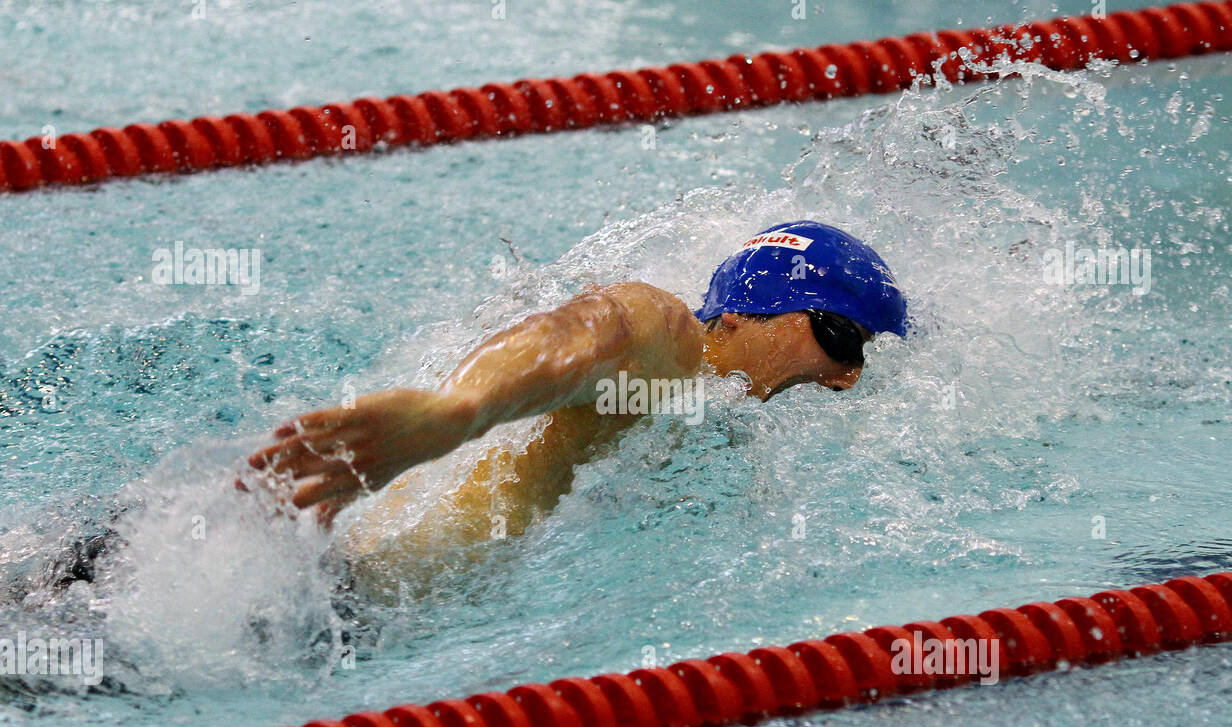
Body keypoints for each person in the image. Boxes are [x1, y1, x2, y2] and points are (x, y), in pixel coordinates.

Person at [247, 220, 909, 594]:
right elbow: (582, 334)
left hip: (365, 596)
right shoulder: (672, 341)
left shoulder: (726, 422)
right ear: (742, 315)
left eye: (862, 360)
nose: (846, 378)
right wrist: (456, 414)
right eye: (840, 339)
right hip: (341, 585)